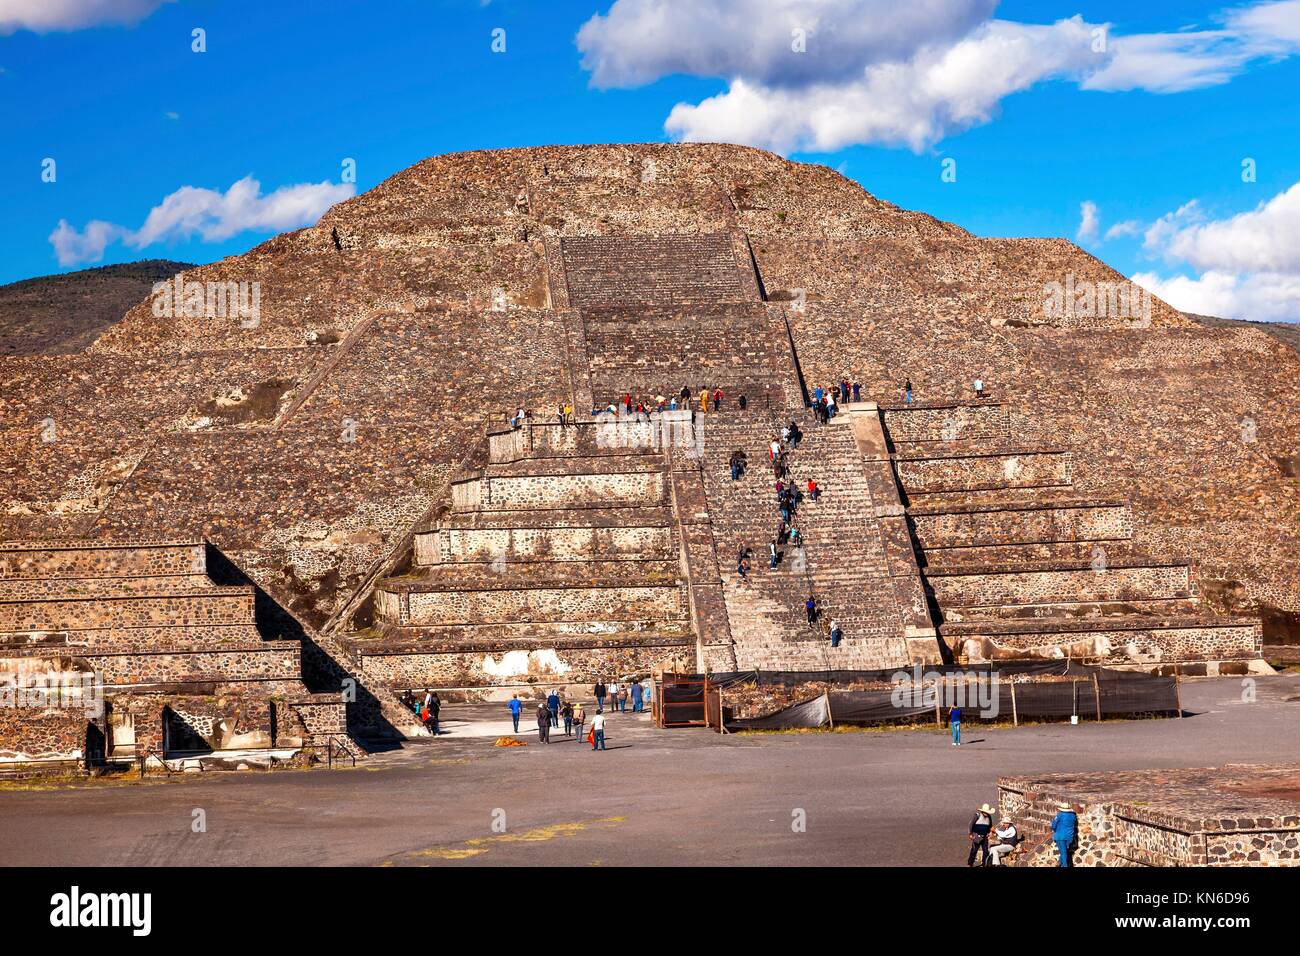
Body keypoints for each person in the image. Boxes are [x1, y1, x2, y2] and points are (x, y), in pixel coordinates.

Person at [1051, 802, 1077, 867]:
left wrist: (1055, 830)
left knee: (1063, 853)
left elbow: (1053, 825)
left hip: (1060, 836)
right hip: (1069, 836)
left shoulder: (1059, 815)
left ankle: (1064, 865)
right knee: (1064, 851)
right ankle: (1060, 863)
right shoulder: (1073, 815)